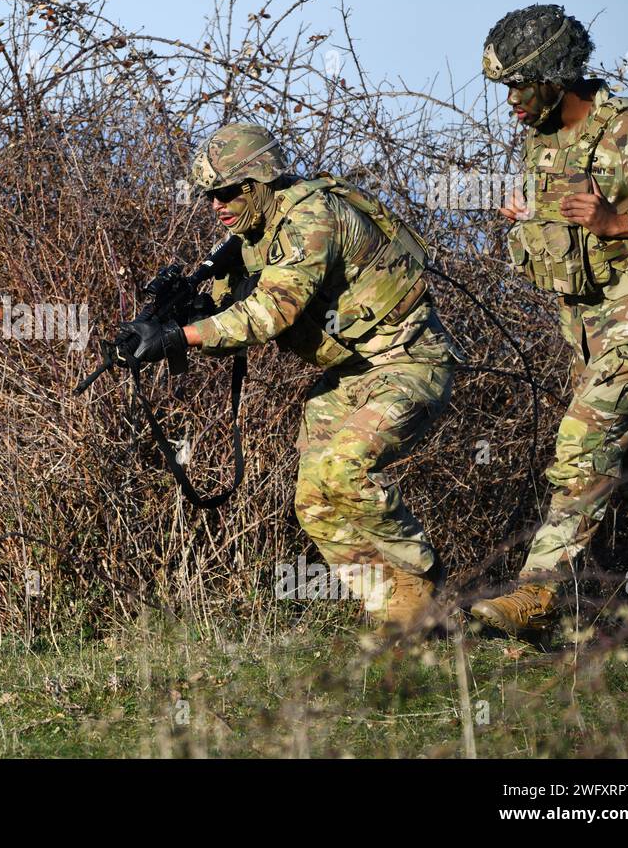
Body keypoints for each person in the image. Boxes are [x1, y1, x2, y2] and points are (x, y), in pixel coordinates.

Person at [124, 122, 459, 636]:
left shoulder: (311, 217)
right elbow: (234, 311)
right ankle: (403, 618)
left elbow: (271, 313)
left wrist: (179, 337)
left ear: (259, 181)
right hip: (350, 374)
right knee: (315, 500)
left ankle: (426, 586)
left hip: (409, 363)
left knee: (346, 470)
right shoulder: (254, 236)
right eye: (210, 196)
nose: (217, 205)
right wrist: (168, 321)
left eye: (227, 192)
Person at [469, 4, 628, 649]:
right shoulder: (542, 137)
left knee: (582, 438)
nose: (509, 102)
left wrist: (622, 224)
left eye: (518, 86)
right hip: (589, 328)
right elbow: (567, 241)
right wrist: (527, 226)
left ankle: (541, 588)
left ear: (556, 79)